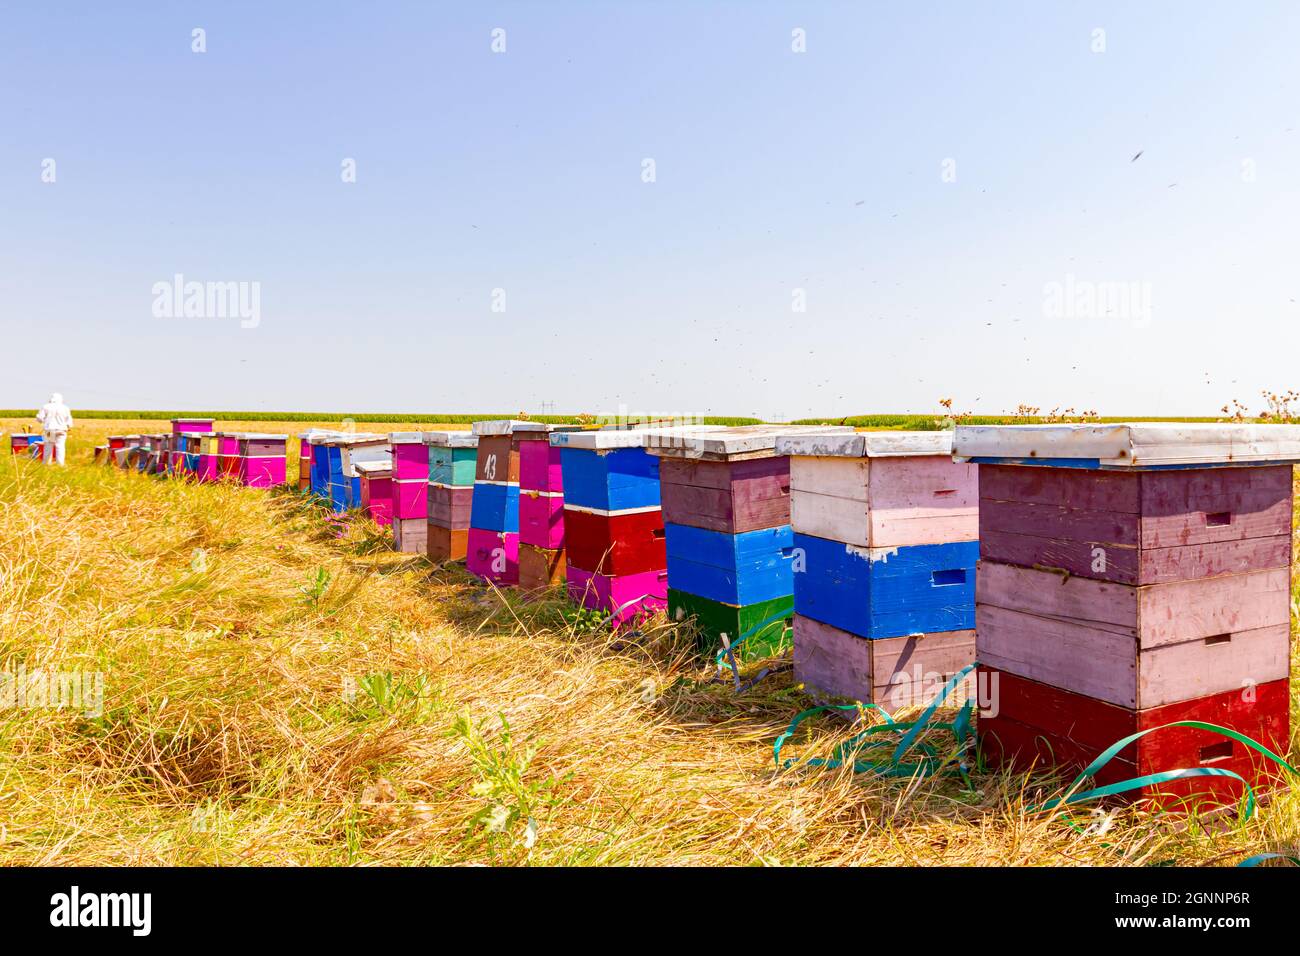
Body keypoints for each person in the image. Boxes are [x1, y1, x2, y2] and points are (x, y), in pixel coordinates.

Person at [36, 393, 74, 465]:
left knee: (48, 447)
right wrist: (68, 427)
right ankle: (60, 464)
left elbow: (40, 418)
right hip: (62, 430)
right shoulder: (65, 408)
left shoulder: (46, 406)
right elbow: (69, 420)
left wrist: (44, 422)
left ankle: (46, 464)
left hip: (50, 430)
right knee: (60, 447)